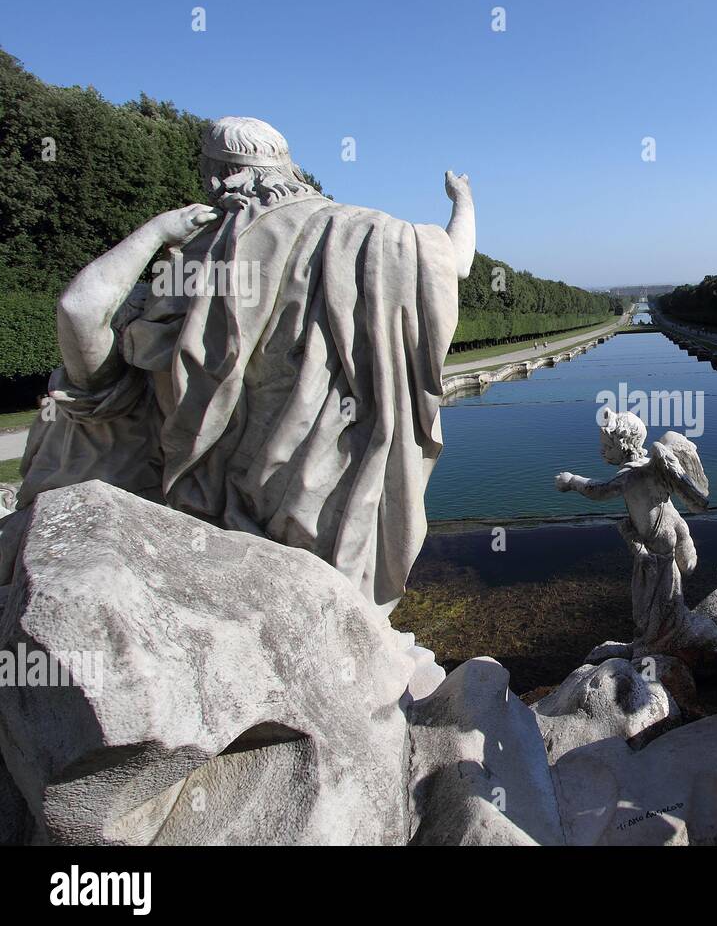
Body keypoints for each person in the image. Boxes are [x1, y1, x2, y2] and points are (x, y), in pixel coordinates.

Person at [9, 116, 473, 614]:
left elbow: (81, 310)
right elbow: (455, 261)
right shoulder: (368, 235)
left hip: (199, 503)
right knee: (323, 603)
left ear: (214, 178)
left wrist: (157, 232)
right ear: (288, 167)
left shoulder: (189, 262)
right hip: (319, 481)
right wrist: (464, 203)